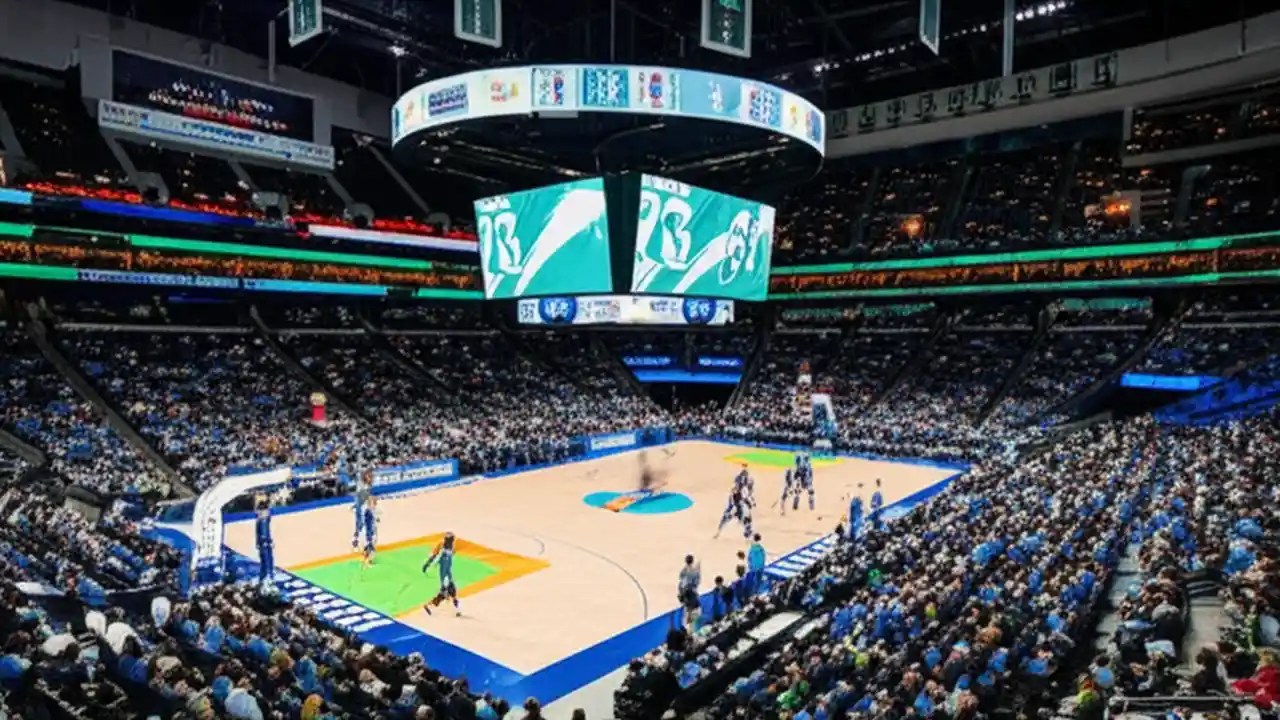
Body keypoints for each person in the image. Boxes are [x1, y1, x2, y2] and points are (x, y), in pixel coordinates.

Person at [422, 532, 462, 616]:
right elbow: (434, 557)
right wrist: (427, 564)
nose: (449, 542)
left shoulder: (452, 548)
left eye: (450, 540)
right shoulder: (441, 548)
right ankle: (429, 605)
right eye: (448, 540)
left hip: (448, 573)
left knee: (450, 592)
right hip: (444, 575)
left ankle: (457, 610)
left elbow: (450, 559)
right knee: (447, 592)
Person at [715, 465, 753, 539]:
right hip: (736, 507)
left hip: (739, 506)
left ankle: (748, 535)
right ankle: (718, 532)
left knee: (746, 519)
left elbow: (746, 498)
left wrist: (748, 503)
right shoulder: (737, 490)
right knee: (726, 517)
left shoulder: (743, 489)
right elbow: (733, 500)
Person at [254, 496, 274, 586]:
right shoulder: (262, 521)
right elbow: (262, 534)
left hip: (264, 543)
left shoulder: (262, 520)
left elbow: (262, 534)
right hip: (264, 544)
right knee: (266, 560)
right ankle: (267, 577)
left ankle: (266, 577)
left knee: (265, 560)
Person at [678, 554, 701, 630]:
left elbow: (681, 583)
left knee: (688, 615)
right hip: (691, 594)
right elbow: (697, 583)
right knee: (694, 616)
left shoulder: (683, 571)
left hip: (686, 595)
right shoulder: (695, 572)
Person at [360, 495, 379, 567]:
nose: (375, 505)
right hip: (369, 532)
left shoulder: (370, 511)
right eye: (374, 503)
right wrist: (369, 535)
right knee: (370, 546)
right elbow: (368, 524)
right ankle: (367, 561)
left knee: (370, 546)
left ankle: (367, 560)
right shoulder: (368, 512)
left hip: (370, 531)